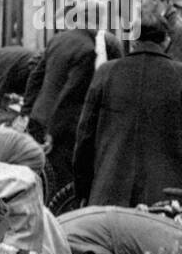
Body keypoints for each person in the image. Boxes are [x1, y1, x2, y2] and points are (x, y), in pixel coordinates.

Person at [74, 14, 182, 208]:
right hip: (167, 198)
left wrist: (84, 190)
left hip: (110, 194)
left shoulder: (106, 72)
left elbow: (84, 139)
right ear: (167, 41)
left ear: (133, 40)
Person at [21, 10, 123, 191]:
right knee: (62, 185)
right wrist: (53, 132)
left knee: (40, 178)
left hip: (39, 118)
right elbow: (71, 94)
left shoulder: (58, 39)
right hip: (61, 129)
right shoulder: (89, 49)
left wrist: (26, 112)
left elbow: (36, 77)